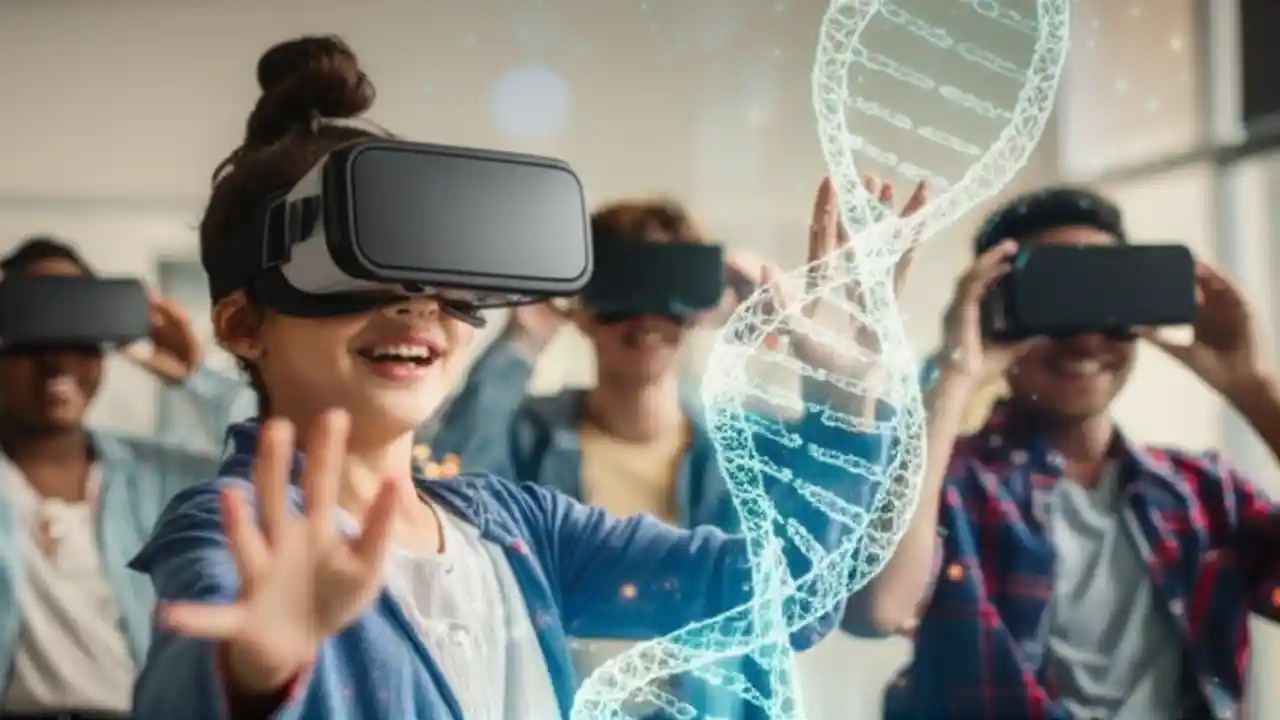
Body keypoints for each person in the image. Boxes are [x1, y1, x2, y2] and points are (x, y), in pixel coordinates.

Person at [128, 35, 898, 720]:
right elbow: (201, 651)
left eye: (441, 282)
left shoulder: (518, 528)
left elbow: (786, 598)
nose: (415, 309)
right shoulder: (231, 529)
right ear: (242, 326)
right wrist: (253, 673)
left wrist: (842, 404)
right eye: (360, 276)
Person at [842, 187, 1280, 720]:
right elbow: (879, 610)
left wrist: (1257, 391)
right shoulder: (951, 485)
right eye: (1057, 300)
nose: (1087, 338)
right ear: (995, 312)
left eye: (1107, 297)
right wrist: (956, 374)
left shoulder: (1204, 492)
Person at [0, 236, 223, 718]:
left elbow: (284, 459)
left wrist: (195, 376)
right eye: (30, 334)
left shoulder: (159, 478)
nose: (55, 360)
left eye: (78, 333)